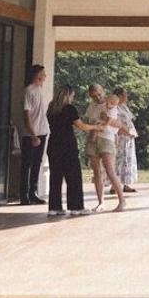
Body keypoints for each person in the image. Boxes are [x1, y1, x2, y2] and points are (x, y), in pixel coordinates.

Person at [45, 85, 103, 216]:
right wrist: (96, 127)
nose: (73, 98)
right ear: (68, 95)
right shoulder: (69, 108)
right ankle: (76, 207)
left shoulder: (51, 108)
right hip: (67, 145)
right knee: (73, 177)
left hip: (53, 144)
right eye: (72, 95)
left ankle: (54, 208)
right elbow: (81, 125)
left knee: (56, 177)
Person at [20, 65, 50, 205]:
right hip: (31, 134)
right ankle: (24, 194)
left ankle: (33, 192)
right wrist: (33, 135)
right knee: (27, 164)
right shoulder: (29, 91)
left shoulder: (40, 90)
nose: (45, 76)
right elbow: (26, 115)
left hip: (42, 131)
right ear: (37, 75)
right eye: (43, 74)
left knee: (37, 163)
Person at [111, 87, 139, 194]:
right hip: (120, 137)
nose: (126, 97)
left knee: (128, 161)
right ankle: (114, 186)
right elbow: (117, 123)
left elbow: (129, 120)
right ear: (119, 96)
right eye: (124, 94)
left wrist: (131, 132)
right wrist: (126, 131)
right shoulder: (114, 108)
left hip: (128, 138)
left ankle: (125, 184)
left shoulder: (124, 107)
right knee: (119, 160)